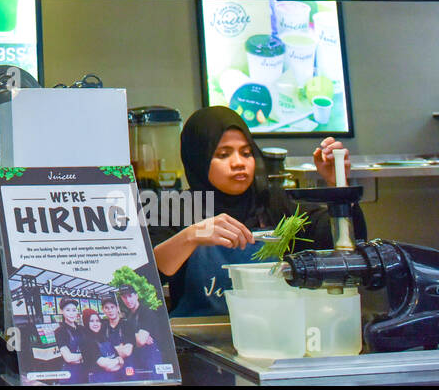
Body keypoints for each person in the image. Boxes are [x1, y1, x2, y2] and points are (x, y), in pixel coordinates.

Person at [150, 106, 356, 317]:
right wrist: (191, 236)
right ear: (198, 160)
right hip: (196, 339)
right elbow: (147, 277)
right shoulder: (175, 208)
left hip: (271, 335)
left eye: (246, 153)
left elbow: (342, 244)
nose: (239, 163)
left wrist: (337, 183)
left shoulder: (274, 203)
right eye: (223, 154)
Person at [116, 283, 163, 377]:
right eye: (124, 297)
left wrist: (130, 337)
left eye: (130, 296)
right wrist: (136, 336)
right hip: (138, 358)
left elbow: (140, 341)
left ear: (136, 296)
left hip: (152, 358)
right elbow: (138, 340)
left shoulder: (146, 312)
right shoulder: (129, 315)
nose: (128, 300)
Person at [80, 307, 123, 382]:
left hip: (113, 379)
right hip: (98, 380)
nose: (95, 324)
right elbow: (105, 364)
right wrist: (118, 361)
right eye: (91, 321)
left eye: (97, 321)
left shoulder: (104, 338)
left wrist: (117, 361)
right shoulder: (86, 341)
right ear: (86, 322)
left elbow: (119, 360)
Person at [52, 299, 88, 384]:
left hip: (86, 371)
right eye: (68, 310)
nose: (71, 313)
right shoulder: (60, 331)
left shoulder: (82, 328)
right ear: (62, 311)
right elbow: (68, 357)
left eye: (74, 310)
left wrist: (79, 358)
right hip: (71, 374)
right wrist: (87, 356)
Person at [99, 295, 134, 375]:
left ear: (117, 308)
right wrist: (119, 347)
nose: (110, 310)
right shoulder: (102, 327)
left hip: (127, 369)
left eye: (112, 307)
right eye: (106, 308)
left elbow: (127, 352)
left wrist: (108, 348)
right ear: (103, 310)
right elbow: (100, 350)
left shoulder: (127, 325)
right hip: (110, 368)